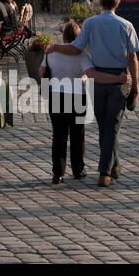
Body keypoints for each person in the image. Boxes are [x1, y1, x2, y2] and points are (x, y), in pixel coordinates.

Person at [46, 0, 139, 187]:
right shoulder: (126, 25)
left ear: (100, 3)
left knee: (104, 126)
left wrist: (55, 47)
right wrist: (135, 86)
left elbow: (75, 48)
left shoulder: (90, 23)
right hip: (118, 78)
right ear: (117, 3)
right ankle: (105, 172)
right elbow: (133, 57)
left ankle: (114, 166)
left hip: (98, 81)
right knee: (112, 127)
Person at [43, 20, 89, 184]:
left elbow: (42, 71)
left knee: (59, 135)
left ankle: (58, 172)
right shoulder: (82, 54)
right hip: (77, 95)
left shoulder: (51, 52)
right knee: (78, 134)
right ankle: (78, 169)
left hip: (57, 94)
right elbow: (90, 72)